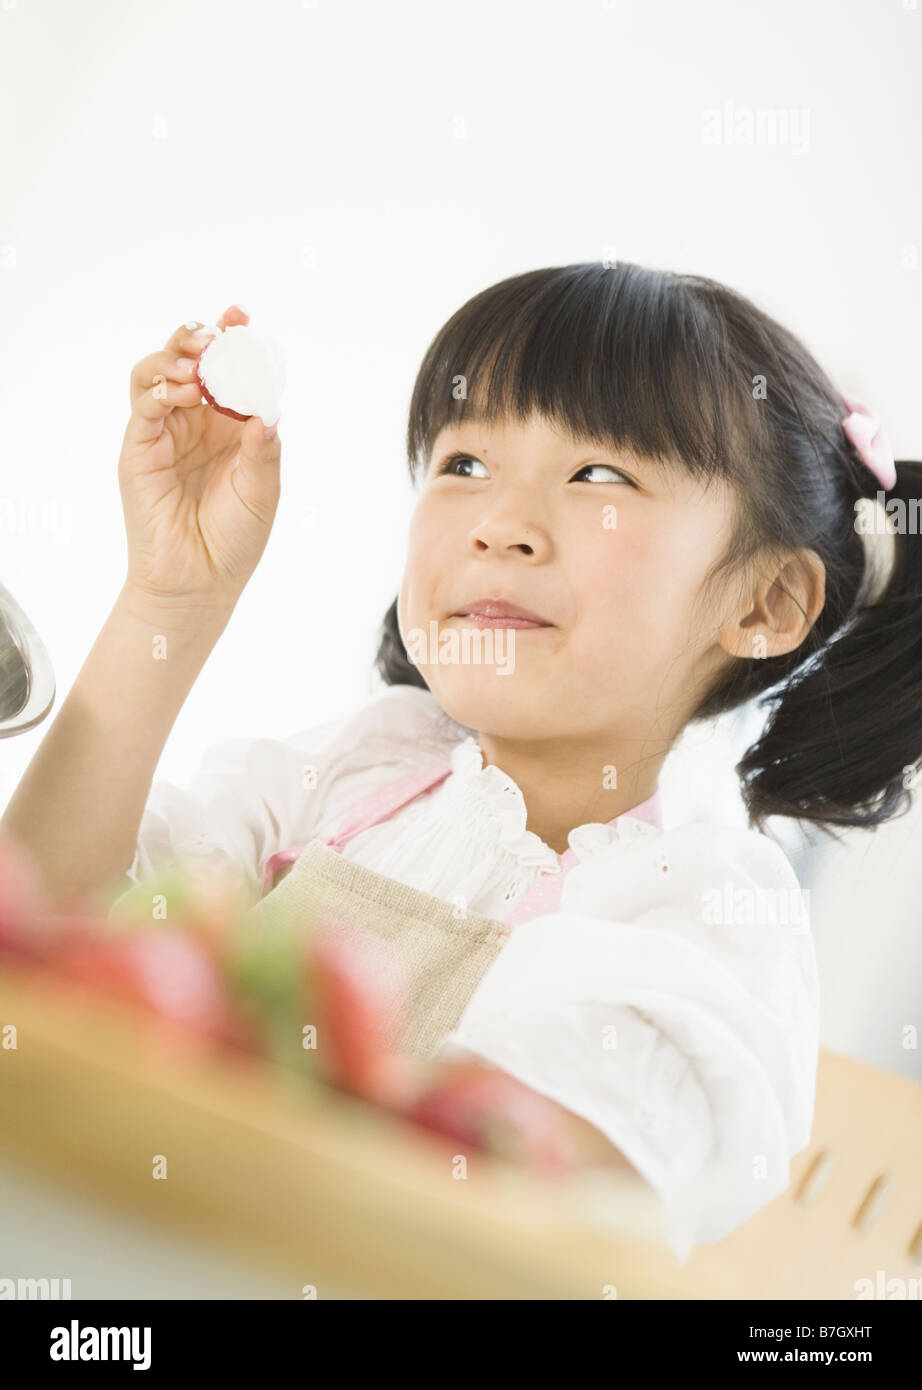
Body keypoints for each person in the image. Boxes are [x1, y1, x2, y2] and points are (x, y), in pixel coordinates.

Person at [5, 264, 920, 1253]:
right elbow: (38, 936)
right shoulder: (356, 773)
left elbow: (486, 1195)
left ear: (763, 603)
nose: (499, 523)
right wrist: (171, 600)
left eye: (600, 476)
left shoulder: (697, 915)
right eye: (464, 463)